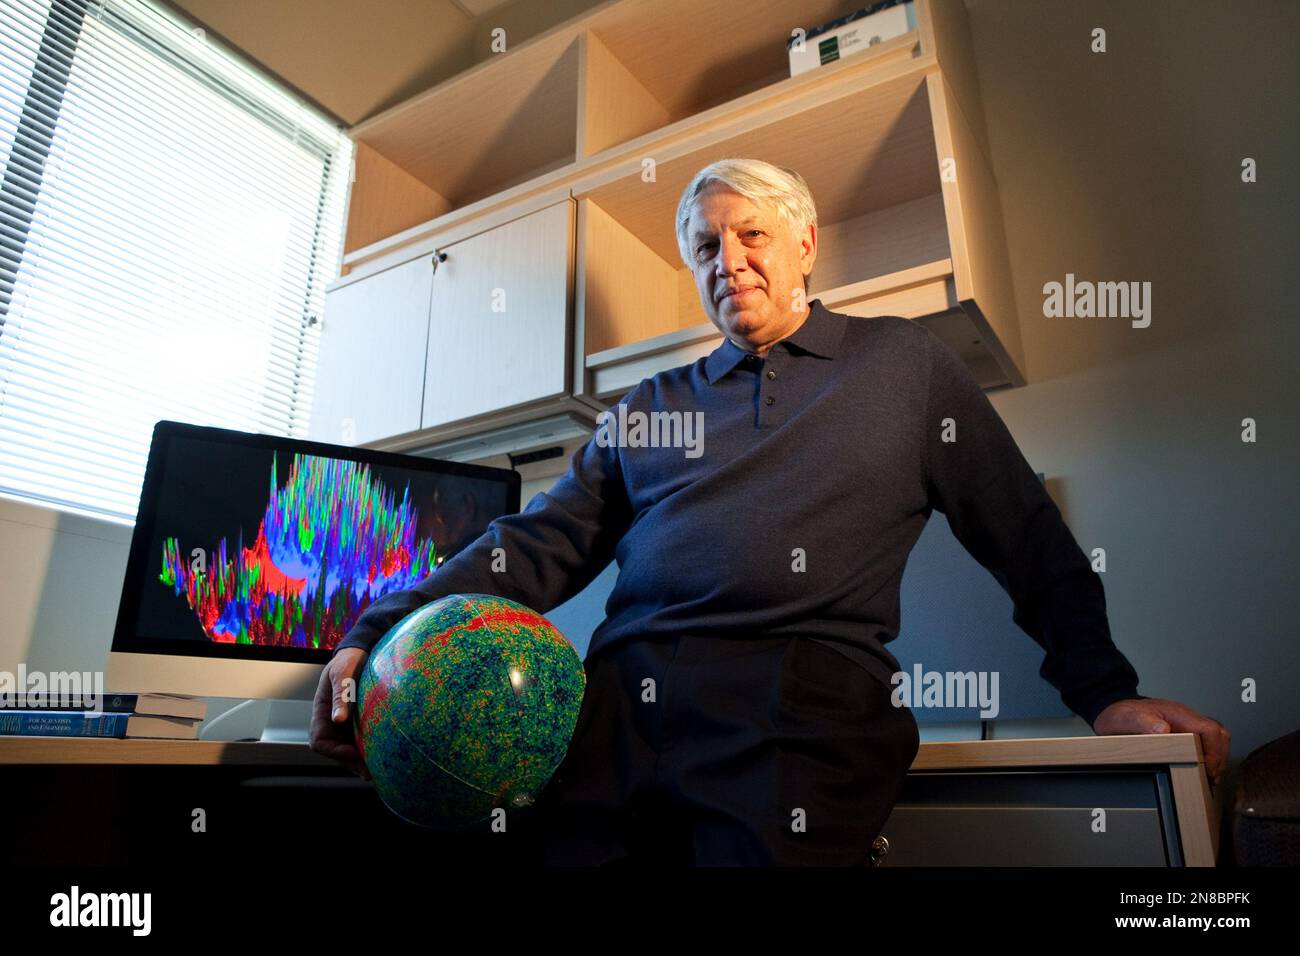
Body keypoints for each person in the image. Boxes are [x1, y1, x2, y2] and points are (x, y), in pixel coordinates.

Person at [310, 158, 1231, 865]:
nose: (730, 261)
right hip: (617, 708)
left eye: (750, 235)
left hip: (799, 699)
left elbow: (1023, 534)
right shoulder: (650, 403)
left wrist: (1105, 693)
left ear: (803, 243)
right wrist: (374, 630)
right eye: (707, 248)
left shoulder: (903, 367)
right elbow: (536, 545)